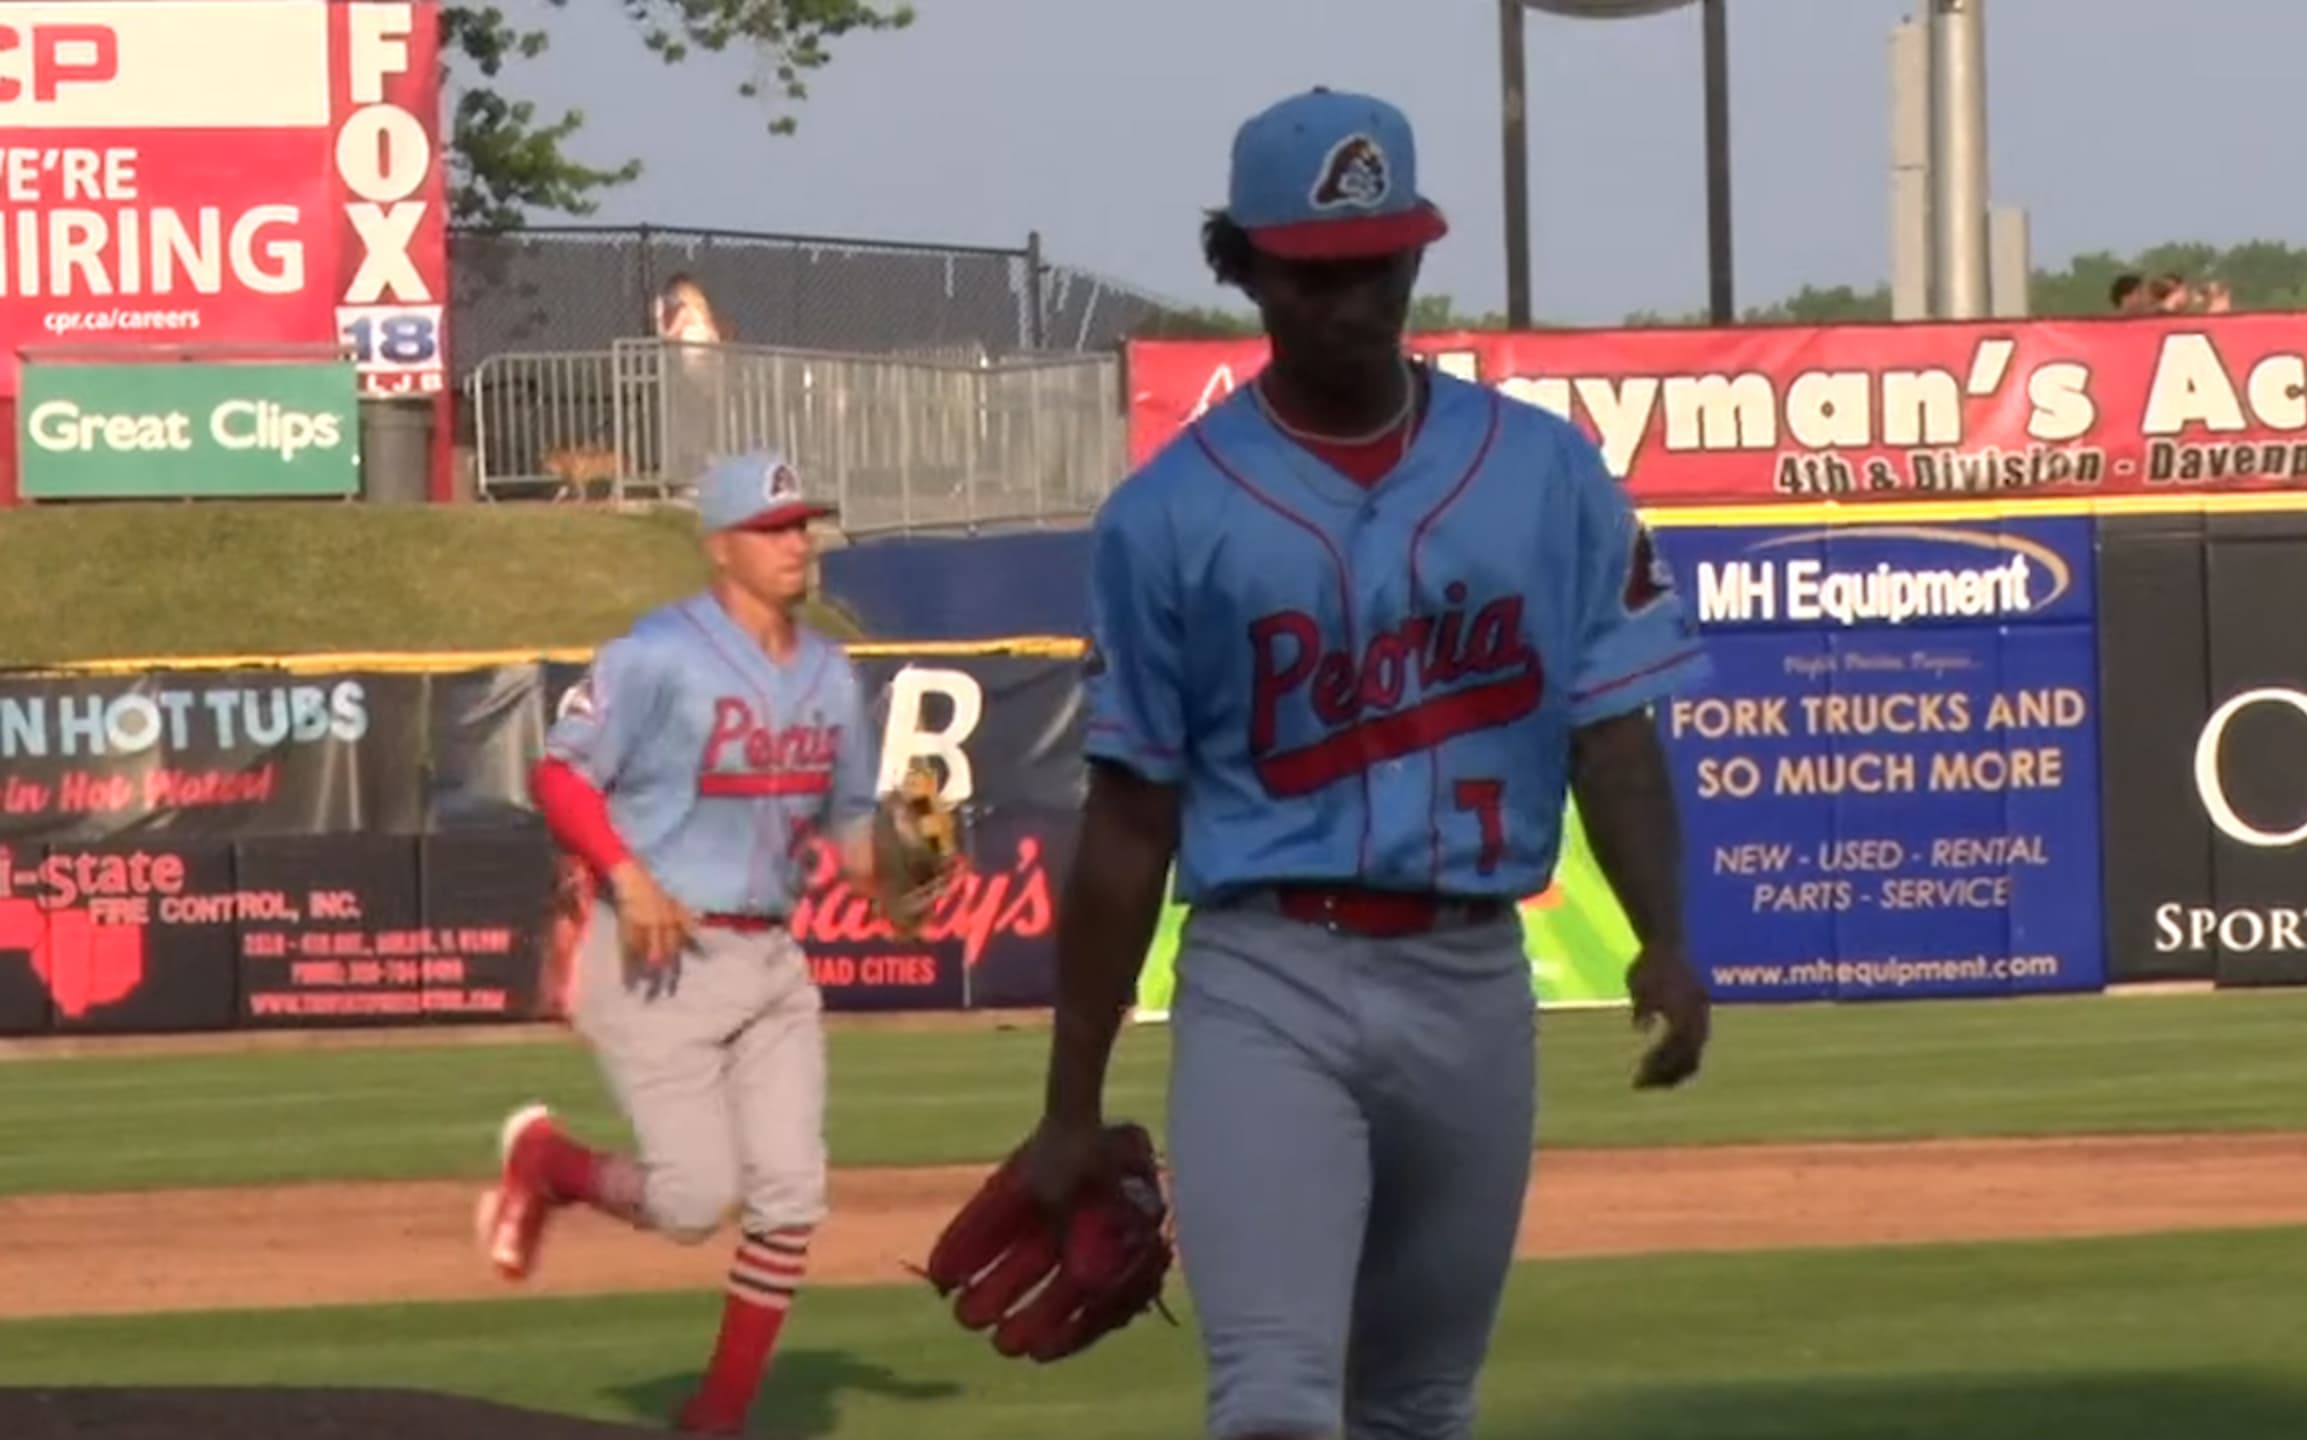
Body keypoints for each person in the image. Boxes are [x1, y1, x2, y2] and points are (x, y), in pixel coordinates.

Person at [1005, 87, 1715, 1440]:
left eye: (1378, 265)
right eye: (1314, 273)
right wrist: (1071, 1104)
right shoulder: (1172, 515)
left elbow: (1610, 736)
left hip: (1470, 978)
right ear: (1245, 269)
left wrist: (1663, 938)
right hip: (1267, 975)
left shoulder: (1547, 476)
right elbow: (1128, 820)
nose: (1351, 302)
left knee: (1421, 1406)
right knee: (1273, 1400)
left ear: (1415, 257)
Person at [476, 450, 882, 1437]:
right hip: (655, 955)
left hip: (773, 962)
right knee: (694, 1203)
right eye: (774, 527)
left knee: (790, 1198)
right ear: (719, 548)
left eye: (804, 524)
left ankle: (716, 1419)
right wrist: (626, 871)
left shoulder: (829, 674)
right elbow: (561, 779)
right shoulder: (655, 654)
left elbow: (856, 836)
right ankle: (549, 1163)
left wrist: (909, 880)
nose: (798, 542)